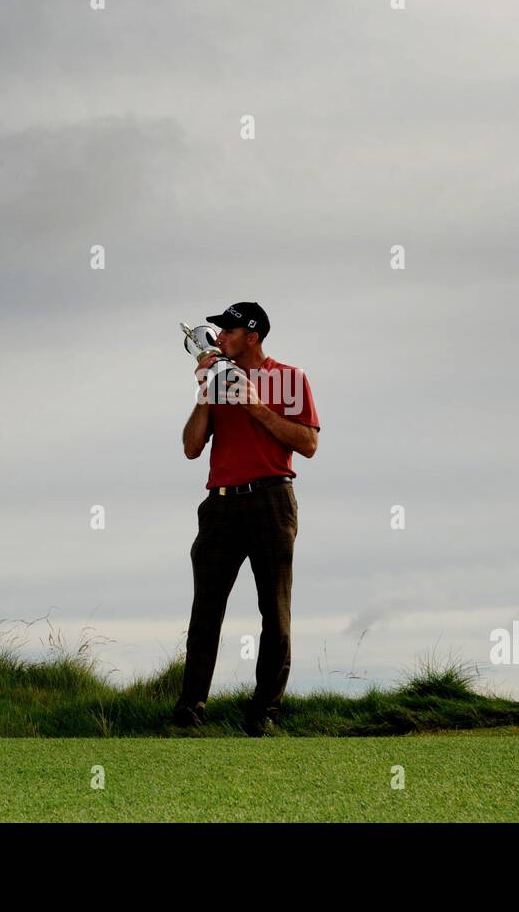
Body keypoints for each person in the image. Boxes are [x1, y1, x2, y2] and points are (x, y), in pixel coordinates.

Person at [172, 303, 321, 736]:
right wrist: (205, 392)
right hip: (220, 505)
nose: (219, 337)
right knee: (206, 611)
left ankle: (264, 712)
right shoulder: (216, 382)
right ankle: (190, 708)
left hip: (272, 499)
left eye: (228, 331)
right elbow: (191, 448)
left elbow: (308, 444)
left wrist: (254, 405)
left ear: (252, 337)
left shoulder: (290, 379)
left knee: (274, 611)